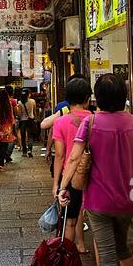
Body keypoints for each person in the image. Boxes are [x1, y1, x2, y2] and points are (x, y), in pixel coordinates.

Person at [58, 73, 133, 266]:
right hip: (129, 196)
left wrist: (63, 186)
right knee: (123, 245)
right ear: (124, 96)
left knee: (107, 252)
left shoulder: (91, 123)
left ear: (97, 98)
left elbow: (75, 158)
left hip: (99, 199)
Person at [51, 76, 93, 254]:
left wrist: (57, 184)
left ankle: (67, 258)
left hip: (71, 176)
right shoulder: (95, 119)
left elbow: (60, 156)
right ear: (87, 98)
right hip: (93, 174)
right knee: (98, 222)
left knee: (70, 219)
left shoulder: (60, 122)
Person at [0, 85, 18, 171]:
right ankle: (1, 164)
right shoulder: (8, 102)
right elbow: (11, 116)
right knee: (4, 146)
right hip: (6, 128)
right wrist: (13, 125)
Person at [21, 88, 39, 157]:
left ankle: (24, 152)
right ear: (28, 94)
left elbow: (19, 114)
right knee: (30, 136)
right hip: (31, 120)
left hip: (22, 120)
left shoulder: (20, 102)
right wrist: (36, 118)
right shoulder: (33, 101)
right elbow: (34, 112)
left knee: (23, 136)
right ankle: (30, 150)